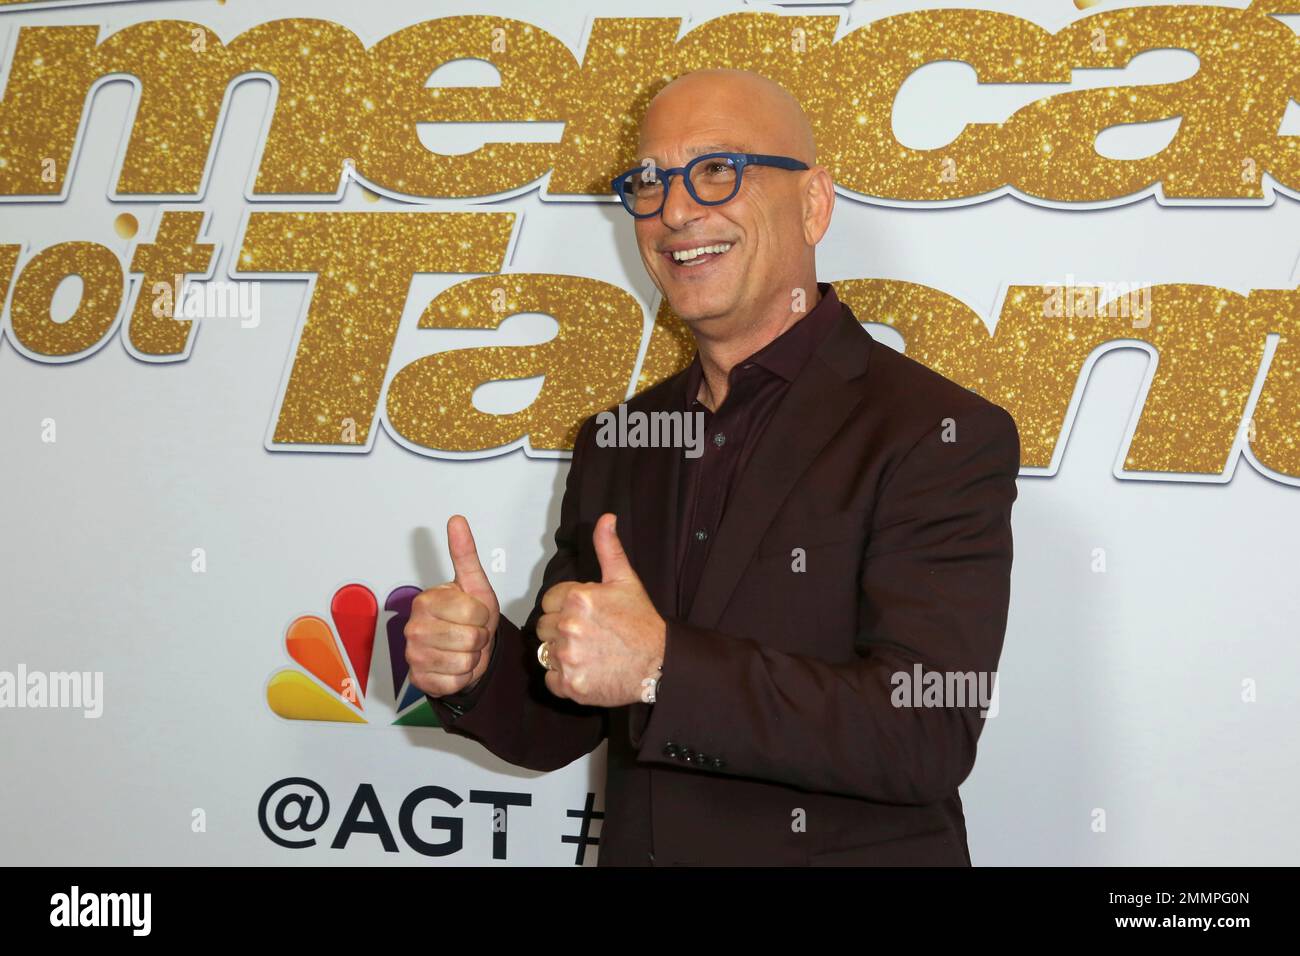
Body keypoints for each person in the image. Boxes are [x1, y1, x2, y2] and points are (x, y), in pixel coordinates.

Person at [405, 68, 1020, 866]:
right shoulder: (620, 439)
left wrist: (663, 668)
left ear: (813, 203)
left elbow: (925, 730)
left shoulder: (939, 432)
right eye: (650, 182)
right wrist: (484, 668)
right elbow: (565, 718)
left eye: (718, 170)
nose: (676, 210)